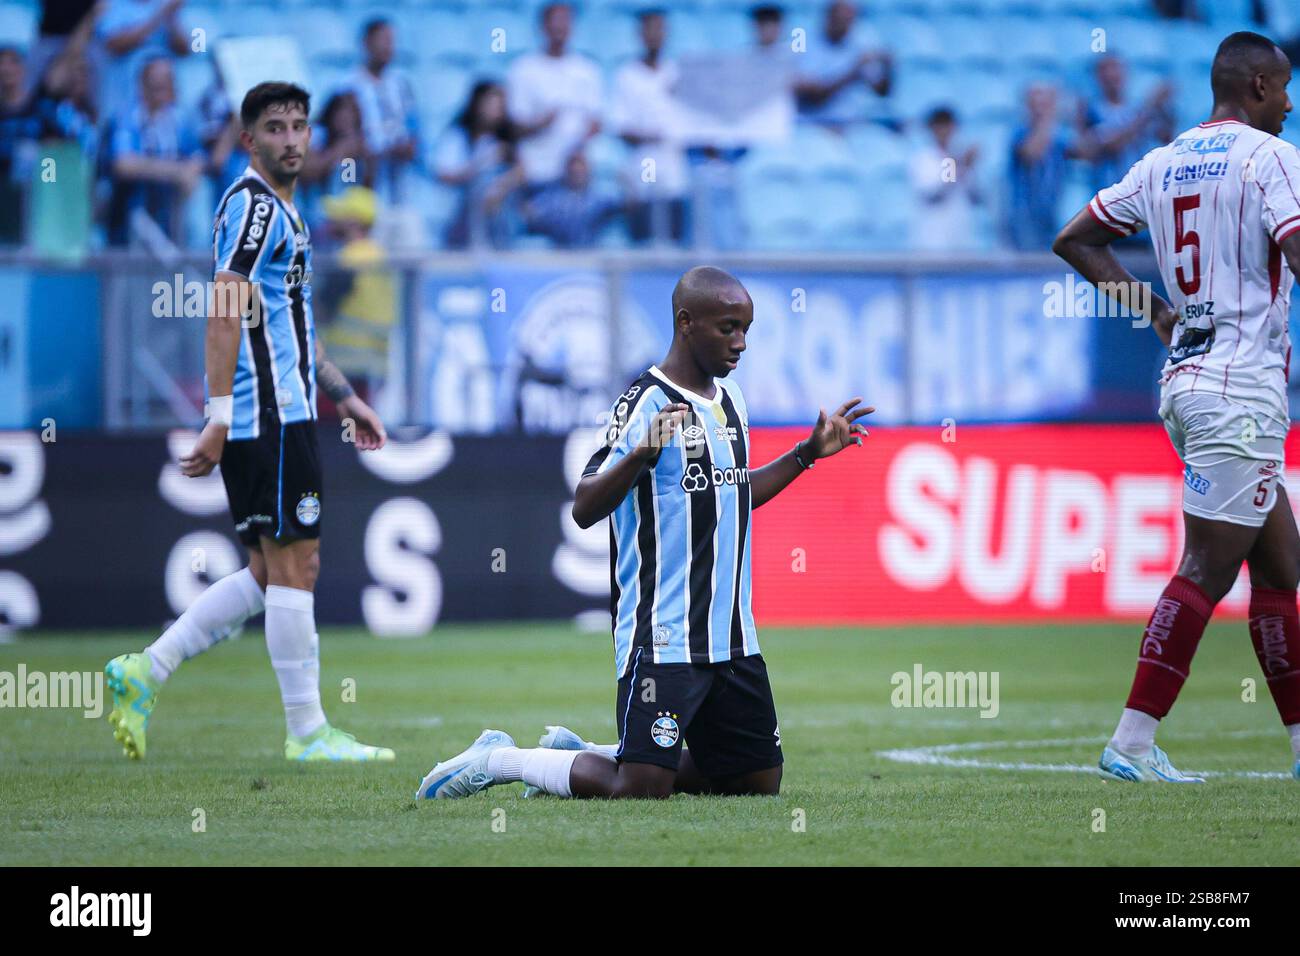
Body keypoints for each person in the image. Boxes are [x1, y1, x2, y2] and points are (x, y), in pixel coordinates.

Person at [417, 266, 873, 800]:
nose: (741, 342)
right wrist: (641, 454)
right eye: (728, 327)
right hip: (663, 634)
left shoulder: (731, 402)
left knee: (753, 782)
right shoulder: (644, 402)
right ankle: (500, 760)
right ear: (686, 322)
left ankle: (588, 754)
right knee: (639, 788)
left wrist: (805, 455)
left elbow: (735, 493)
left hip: (731, 635)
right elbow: (585, 507)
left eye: (746, 328)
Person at [104, 82, 395, 763]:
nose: (292, 139)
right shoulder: (254, 208)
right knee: (299, 565)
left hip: (286, 406)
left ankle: (146, 669)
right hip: (267, 414)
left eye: (300, 125)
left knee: (271, 573)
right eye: (275, 128)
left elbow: (293, 323)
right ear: (249, 140)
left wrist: (344, 395)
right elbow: (223, 311)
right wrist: (217, 416)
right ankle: (308, 733)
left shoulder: (283, 211)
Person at [1053, 32, 1300, 782]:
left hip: (1189, 380)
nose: (1290, 105)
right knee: (1204, 569)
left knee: (1281, 569)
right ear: (1257, 85)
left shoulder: (1162, 162)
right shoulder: (1273, 160)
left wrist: (1154, 310)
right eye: (1285, 88)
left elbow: (1076, 238)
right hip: (1241, 389)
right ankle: (1130, 742)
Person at [103, 56, 203, 245]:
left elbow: (196, 160)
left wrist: (187, 172)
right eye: (157, 80)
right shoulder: (126, 117)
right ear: (143, 83)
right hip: (130, 214)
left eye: (168, 79)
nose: (163, 85)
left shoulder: (180, 119)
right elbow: (123, 164)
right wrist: (176, 172)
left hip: (170, 217)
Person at [609, 8, 688, 245]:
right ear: (640, 34)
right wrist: (650, 136)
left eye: (659, 29)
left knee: (674, 242)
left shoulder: (678, 72)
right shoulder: (626, 75)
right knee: (643, 243)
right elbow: (620, 127)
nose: (654, 35)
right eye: (649, 29)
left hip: (675, 172)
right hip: (641, 173)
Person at [506, 3, 601, 193]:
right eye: (555, 21)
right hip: (537, 169)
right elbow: (514, 126)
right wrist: (541, 124)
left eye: (565, 21)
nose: (560, 27)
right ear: (542, 26)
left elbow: (596, 121)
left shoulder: (588, 69)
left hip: (577, 171)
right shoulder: (523, 69)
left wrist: (578, 148)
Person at [434, 80, 523, 249]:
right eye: (491, 104)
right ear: (477, 105)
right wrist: (480, 164)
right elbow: (444, 175)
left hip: (497, 215)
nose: (497, 110)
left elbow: (522, 171)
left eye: (500, 105)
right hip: (459, 212)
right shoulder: (457, 136)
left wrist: (503, 185)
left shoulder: (505, 140)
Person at [1078, 54, 1175, 198]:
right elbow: (1111, 145)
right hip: (1108, 195)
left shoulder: (1137, 107)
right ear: (1097, 76)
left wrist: (1165, 108)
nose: (1111, 74)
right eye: (1105, 69)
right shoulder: (1091, 109)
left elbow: (1166, 139)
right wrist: (1150, 107)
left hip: (1141, 193)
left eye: (1116, 68)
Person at [348, 17, 419, 204]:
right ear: (366, 43)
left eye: (391, 41)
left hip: (401, 185)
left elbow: (412, 127)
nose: (389, 46)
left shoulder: (401, 84)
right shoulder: (349, 85)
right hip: (365, 182)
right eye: (383, 40)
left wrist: (409, 145)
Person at [794, 0, 894, 131]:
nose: (845, 24)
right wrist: (854, 72)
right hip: (813, 124)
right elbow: (814, 97)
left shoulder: (861, 42)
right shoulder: (803, 42)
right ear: (828, 17)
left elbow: (881, 92)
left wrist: (888, 67)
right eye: (840, 19)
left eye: (850, 19)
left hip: (851, 124)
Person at [1007, 83, 1079, 252]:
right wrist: (1050, 117)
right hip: (1025, 217)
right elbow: (1032, 153)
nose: (1041, 107)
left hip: (1054, 210)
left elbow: (1085, 152)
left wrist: (1079, 117)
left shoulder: (1059, 136)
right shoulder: (1019, 132)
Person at [909, 106, 981, 251]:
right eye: (940, 126)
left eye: (948, 126)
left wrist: (968, 167)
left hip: (960, 236)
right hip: (933, 239)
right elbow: (934, 195)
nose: (944, 131)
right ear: (931, 129)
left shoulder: (960, 157)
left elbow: (976, 197)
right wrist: (958, 166)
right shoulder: (923, 158)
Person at [523, 149, 622, 247]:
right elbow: (530, 212)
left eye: (580, 171)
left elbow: (626, 205)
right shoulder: (553, 197)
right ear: (566, 172)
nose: (577, 174)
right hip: (560, 252)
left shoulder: (600, 196)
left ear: (588, 172)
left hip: (592, 250)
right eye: (573, 172)